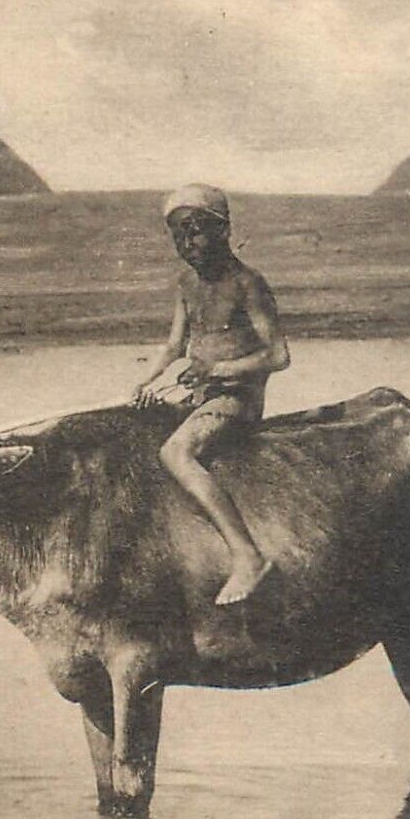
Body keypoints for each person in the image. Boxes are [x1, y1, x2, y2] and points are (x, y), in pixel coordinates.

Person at [133, 184, 290, 605]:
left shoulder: (247, 284)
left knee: (175, 454)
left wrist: (216, 370)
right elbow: (172, 346)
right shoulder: (186, 283)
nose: (188, 244)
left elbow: (277, 355)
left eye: (196, 231)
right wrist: (148, 382)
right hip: (199, 396)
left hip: (235, 400)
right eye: (179, 235)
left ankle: (247, 555)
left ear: (223, 231)